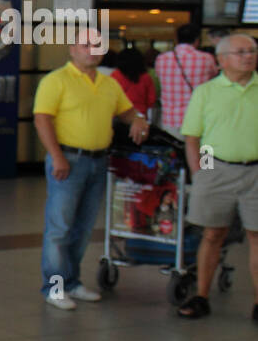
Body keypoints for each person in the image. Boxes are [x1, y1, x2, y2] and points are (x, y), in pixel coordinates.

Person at [33, 30, 150, 311]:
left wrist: (137, 119)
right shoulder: (56, 81)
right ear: (72, 49)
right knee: (60, 228)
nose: (92, 50)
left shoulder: (109, 84)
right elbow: (42, 120)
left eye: (98, 45)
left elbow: (127, 111)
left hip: (99, 162)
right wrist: (57, 157)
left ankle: (72, 282)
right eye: (86, 45)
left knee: (83, 228)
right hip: (68, 160)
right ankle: (55, 287)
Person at [176, 34, 258, 321]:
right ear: (222, 60)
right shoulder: (207, 92)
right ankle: (201, 296)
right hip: (216, 168)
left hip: (256, 171)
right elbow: (194, 138)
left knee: (256, 236)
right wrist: (202, 173)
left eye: (252, 51)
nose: (248, 56)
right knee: (212, 234)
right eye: (240, 52)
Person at [155, 23, 218, 138]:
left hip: (171, 119)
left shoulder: (161, 59)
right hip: (199, 117)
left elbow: (160, 78)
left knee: (175, 154)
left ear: (177, 39)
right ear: (197, 40)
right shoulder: (206, 58)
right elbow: (214, 80)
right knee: (200, 154)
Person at [110, 45, 157, 117]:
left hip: (119, 115)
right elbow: (151, 100)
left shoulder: (115, 75)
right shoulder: (146, 77)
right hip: (140, 115)